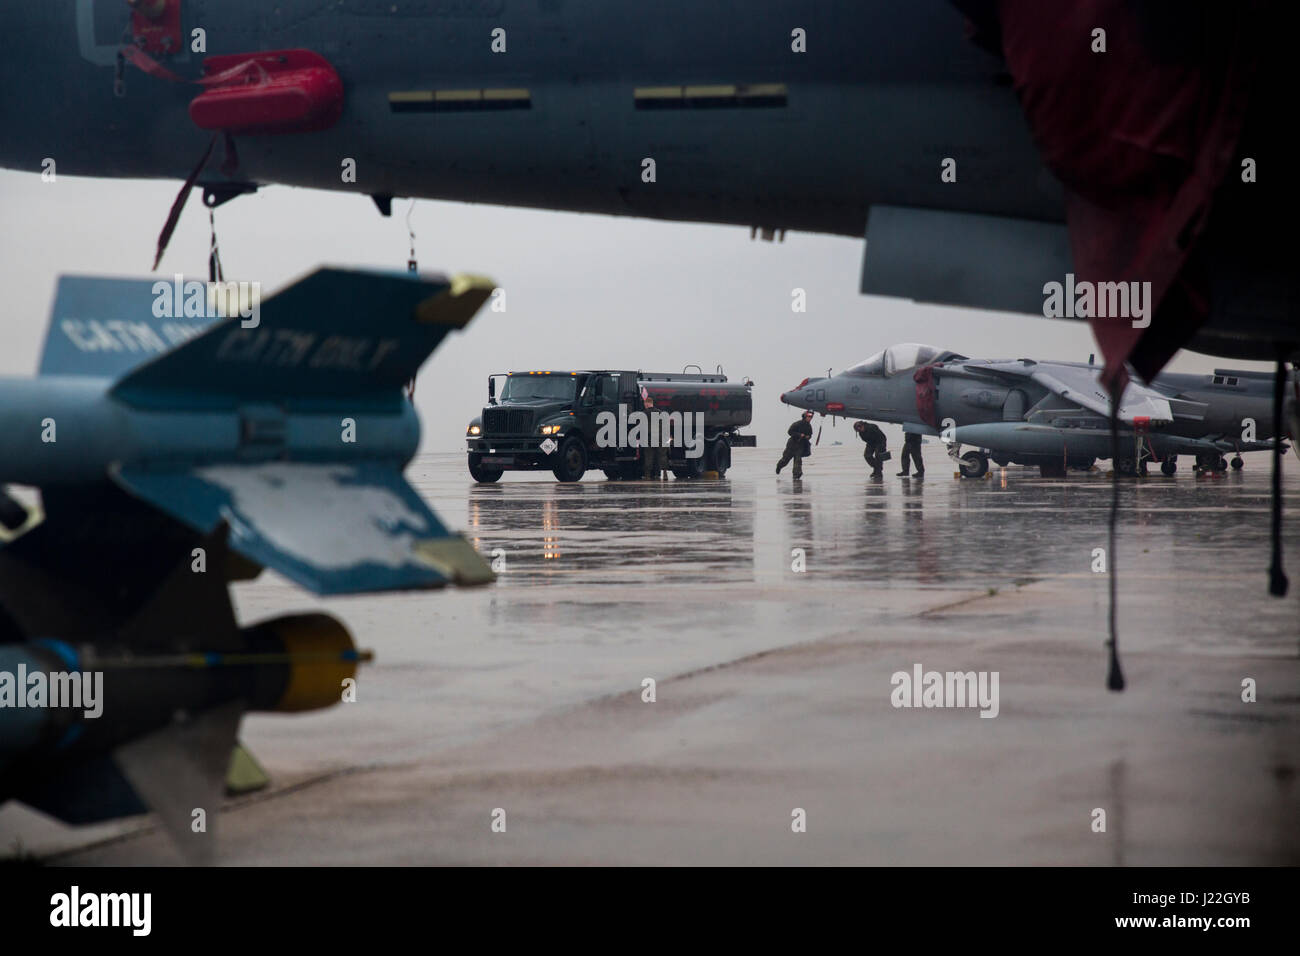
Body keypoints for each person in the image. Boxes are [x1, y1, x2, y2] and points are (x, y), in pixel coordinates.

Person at [776, 411, 814, 479]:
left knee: (798, 460)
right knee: (785, 460)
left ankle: (796, 474)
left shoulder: (809, 426)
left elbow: (810, 434)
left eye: (811, 417)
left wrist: (808, 437)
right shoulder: (797, 424)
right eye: (808, 416)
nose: (810, 418)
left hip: (800, 445)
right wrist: (799, 434)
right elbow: (790, 432)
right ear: (805, 416)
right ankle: (779, 466)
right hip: (792, 444)